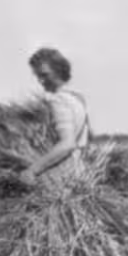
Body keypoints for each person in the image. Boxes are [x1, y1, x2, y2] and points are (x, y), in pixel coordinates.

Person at [19, 47, 91, 187]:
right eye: (38, 76)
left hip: (60, 177)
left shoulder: (58, 100)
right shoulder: (77, 98)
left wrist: (32, 170)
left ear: (59, 70)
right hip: (79, 175)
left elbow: (67, 144)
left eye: (45, 75)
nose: (41, 81)